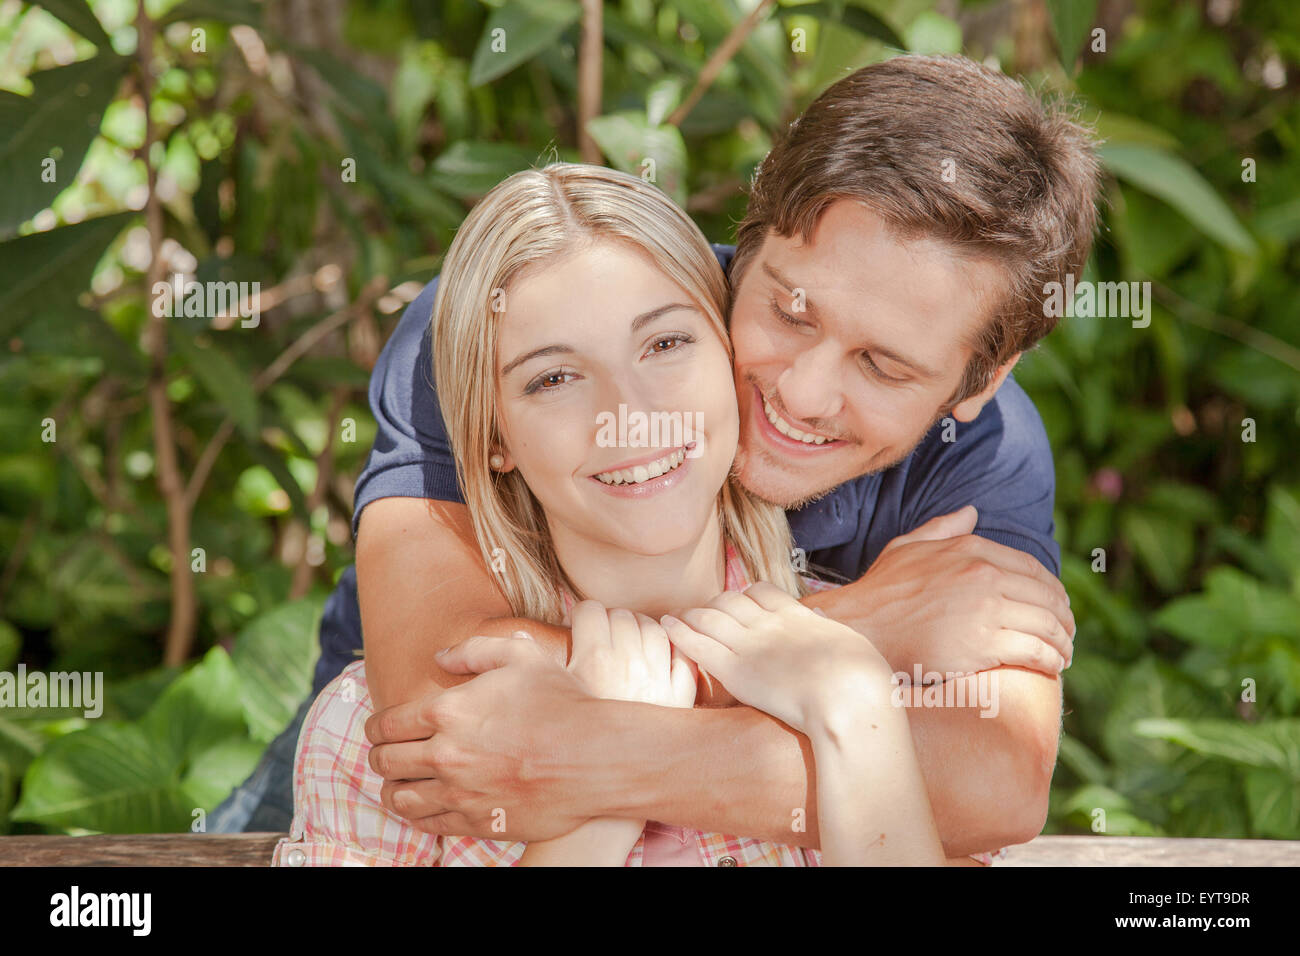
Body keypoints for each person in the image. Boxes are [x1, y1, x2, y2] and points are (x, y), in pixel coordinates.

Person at [219, 54, 1099, 858]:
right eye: (791, 312)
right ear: (742, 246)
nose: (802, 391)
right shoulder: (527, 307)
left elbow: (993, 781)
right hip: (389, 790)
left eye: (884, 365)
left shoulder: (981, 452)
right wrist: (849, 638)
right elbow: (451, 718)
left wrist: (620, 747)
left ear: (980, 378)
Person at [273, 162, 948, 865]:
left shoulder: (851, 675)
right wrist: (593, 807)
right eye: (555, 377)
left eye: (664, 344)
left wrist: (857, 711)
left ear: (732, 357)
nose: (629, 417)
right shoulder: (400, 734)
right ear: (493, 437)